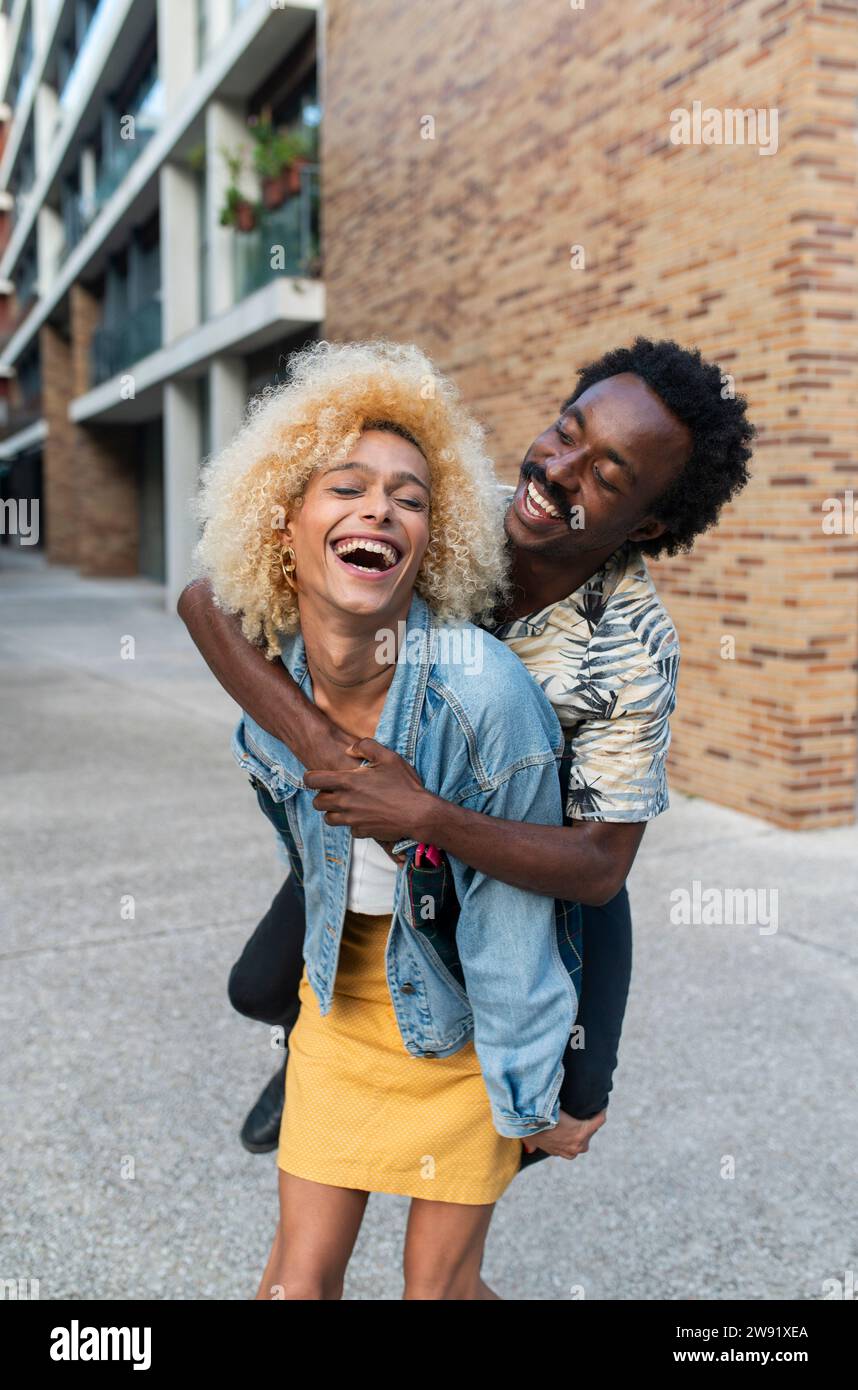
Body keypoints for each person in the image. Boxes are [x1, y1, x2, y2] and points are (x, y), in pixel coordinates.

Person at [180, 336, 756, 1173]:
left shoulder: (633, 646)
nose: (560, 467)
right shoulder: (446, 513)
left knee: (554, 1120)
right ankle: (303, 1057)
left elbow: (599, 868)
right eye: (568, 430)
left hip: (533, 868)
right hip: (373, 817)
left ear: (650, 523)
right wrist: (332, 754)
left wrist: (427, 817)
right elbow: (207, 601)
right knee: (260, 989)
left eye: (608, 476)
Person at [192, 338, 587, 1300]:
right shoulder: (274, 695)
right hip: (341, 1003)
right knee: (294, 1281)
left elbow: (515, 914)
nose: (380, 508)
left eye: (410, 498)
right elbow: (308, 857)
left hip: (461, 1022)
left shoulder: (482, 698)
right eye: (347, 487)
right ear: (284, 526)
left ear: (430, 543)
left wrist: (537, 1085)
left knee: (437, 1293)